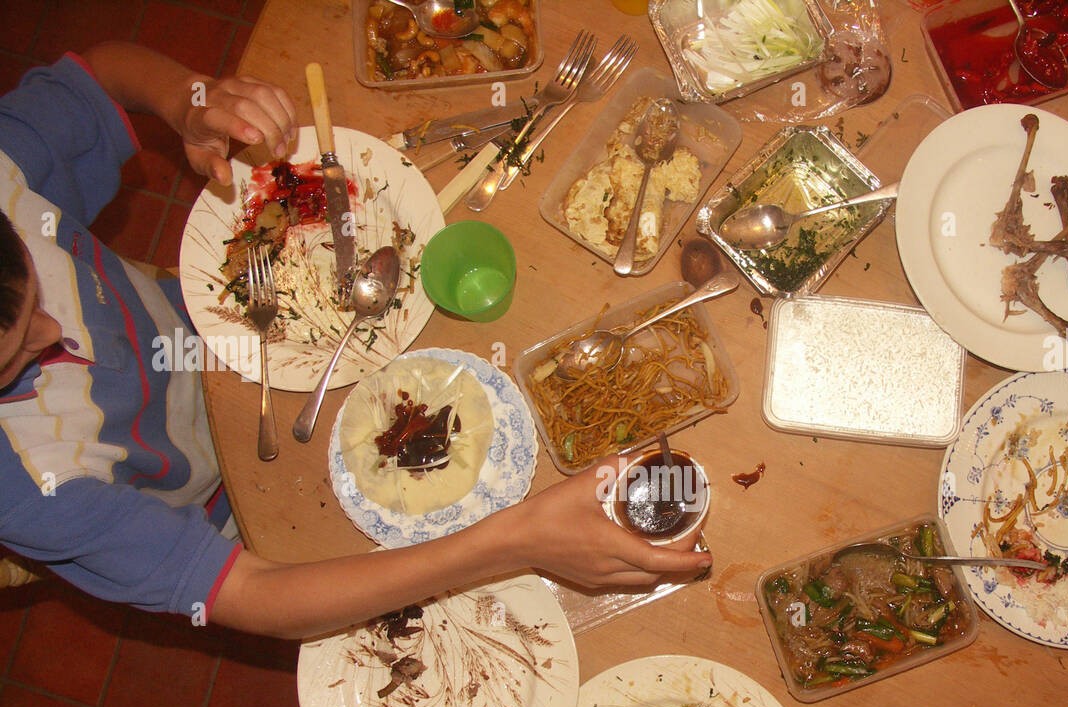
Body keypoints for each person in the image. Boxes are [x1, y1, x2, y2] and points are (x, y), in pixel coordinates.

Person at [0, 43, 710, 640]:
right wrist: (514, 540)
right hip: (212, 514)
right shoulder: (24, 490)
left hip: (215, 338)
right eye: (14, 359)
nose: (54, 330)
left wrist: (188, 99)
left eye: (34, 289)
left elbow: (103, 74)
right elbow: (253, 592)